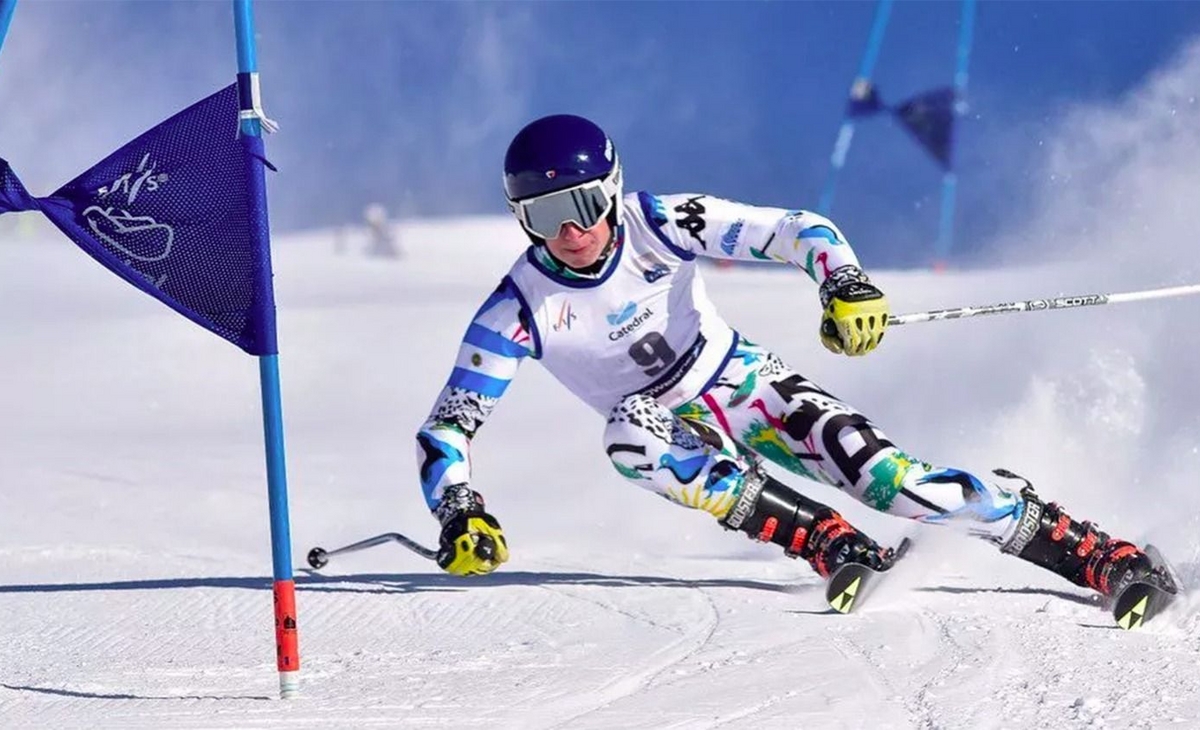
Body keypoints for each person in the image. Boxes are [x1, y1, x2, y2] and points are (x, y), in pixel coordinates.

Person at [414, 113, 1159, 602]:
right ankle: (822, 539)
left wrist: (843, 282)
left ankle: (1089, 552)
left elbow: (794, 229)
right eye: (545, 217)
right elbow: (447, 429)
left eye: (583, 205)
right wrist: (459, 511)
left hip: (746, 387)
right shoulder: (517, 308)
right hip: (674, 433)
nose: (571, 233)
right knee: (629, 434)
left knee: (891, 481)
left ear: (611, 191)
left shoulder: (660, 222)